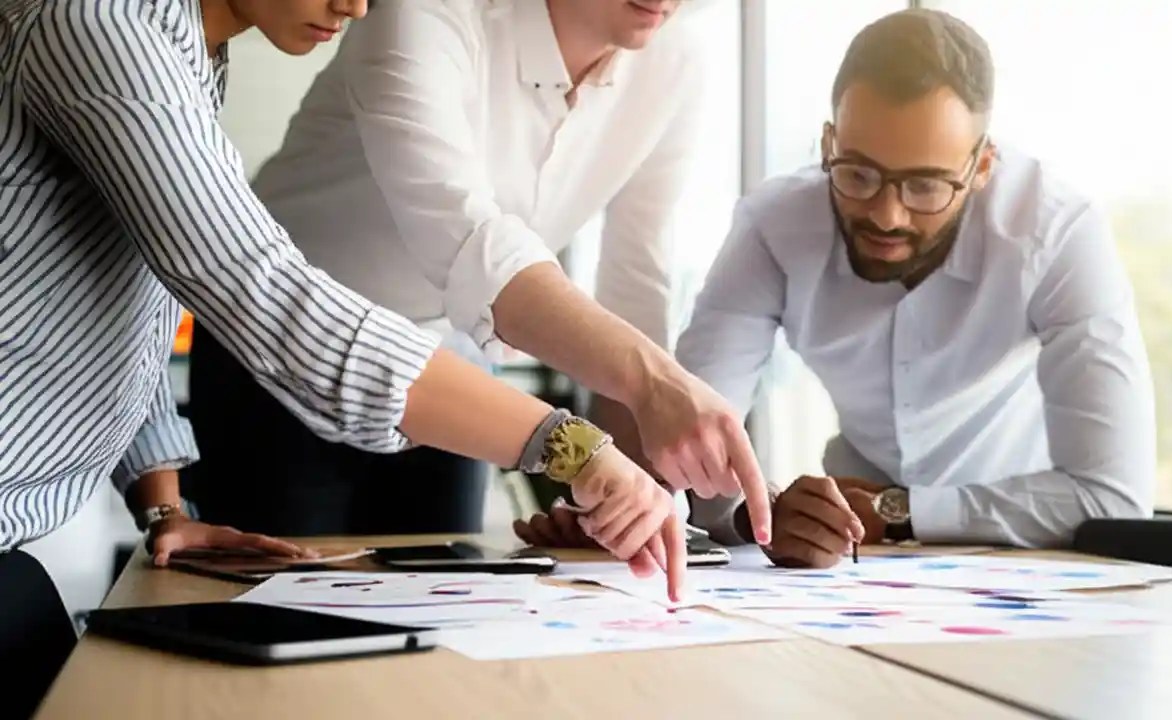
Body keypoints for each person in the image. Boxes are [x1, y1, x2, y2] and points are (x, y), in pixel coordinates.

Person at [0, 0, 766, 713]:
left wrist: (162, 497)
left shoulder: (187, 53)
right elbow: (262, 292)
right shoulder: (102, 31)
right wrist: (570, 445)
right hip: (287, 372)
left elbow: (124, 290)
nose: (359, 5)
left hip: (419, 369)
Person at [517, 8, 1157, 567]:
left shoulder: (1057, 234)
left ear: (982, 166)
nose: (888, 215)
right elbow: (693, 444)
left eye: (927, 186)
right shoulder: (774, 227)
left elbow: (1112, 496)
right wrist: (756, 514)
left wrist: (900, 511)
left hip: (1025, 548)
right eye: (858, 173)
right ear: (829, 141)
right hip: (855, 551)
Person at [181, 0, 770, 541]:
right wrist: (654, 382)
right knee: (279, 617)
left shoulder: (678, 56)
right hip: (279, 350)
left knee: (436, 614)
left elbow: (636, 282)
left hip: (451, 371)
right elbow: (469, 243)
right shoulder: (426, 10)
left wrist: (632, 499)